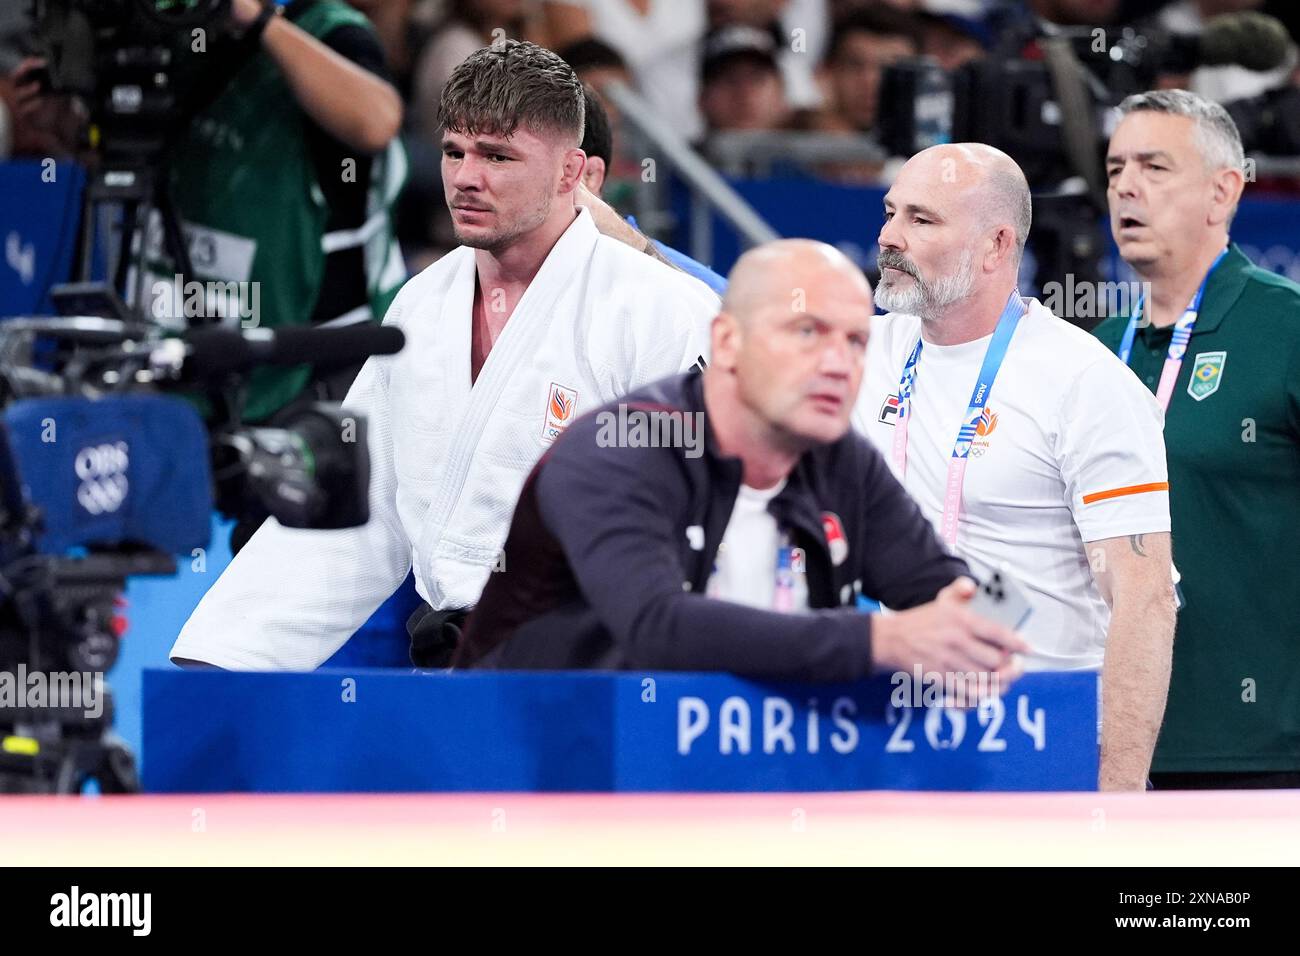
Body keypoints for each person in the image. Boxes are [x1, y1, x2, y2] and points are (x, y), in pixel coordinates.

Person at [170, 40, 719, 670]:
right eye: (455, 152)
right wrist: (223, 657)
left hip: (602, 668)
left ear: (571, 173)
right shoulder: (423, 303)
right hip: (451, 663)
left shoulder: (660, 308)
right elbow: (360, 508)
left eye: (497, 156)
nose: (465, 178)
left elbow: (715, 517)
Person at [455, 239, 1029, 687]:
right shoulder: (617, 450)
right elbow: (657, 629)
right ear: (727, 342)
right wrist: (881, 641)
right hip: (530, 767)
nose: (838, 363)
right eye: (807, 332)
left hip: (718, 763)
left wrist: (977, 641)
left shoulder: (839, 461)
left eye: (856, 342)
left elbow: (958, 596)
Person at [851, 143, 1175, 791]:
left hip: (1043, 740)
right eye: (890, 213)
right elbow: (732, 314)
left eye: (921, 219)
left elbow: (1145, 598)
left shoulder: (1084, 381)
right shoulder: (860, 351)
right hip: (894, 738)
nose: (888, 237)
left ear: (996, 246)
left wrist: (1118, 795)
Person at [1091, 89, 1300, 789]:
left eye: (1154, 167)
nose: (1126, 185)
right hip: (1109, 748)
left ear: (1223, 192)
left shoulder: (1285, 329)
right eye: (1116, 167)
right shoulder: (1094, 351)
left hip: (1264, 755)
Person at [146, 0, 408, 424]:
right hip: (187, 344)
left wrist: (259, 20)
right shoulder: (178, 27)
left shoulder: (332, 30)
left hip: (312, 360)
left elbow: (377, 121)